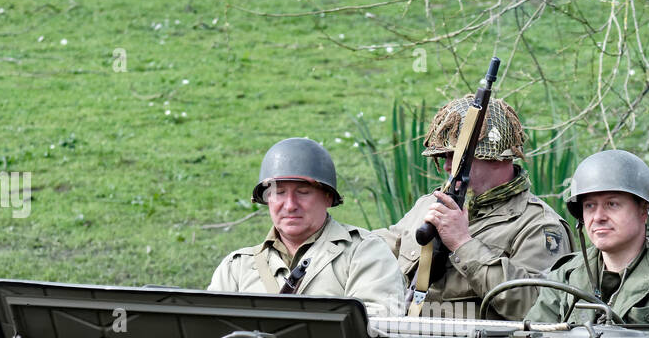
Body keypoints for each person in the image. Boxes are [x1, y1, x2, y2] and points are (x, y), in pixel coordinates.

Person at [374, 95, 570, 320]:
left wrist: (463, 244)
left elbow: (536, 307)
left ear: (497, 158)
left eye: (456, 157)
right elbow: (377, 249)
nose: (447, 166)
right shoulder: (430, 204)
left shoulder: (540, 225)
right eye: (444, 156)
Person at [524, 150, 649, 327]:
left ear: (643, 209)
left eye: (612, 204)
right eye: (589, 206)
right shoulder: (565, 275)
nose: (598, 217)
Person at [208, 138, 405, 316]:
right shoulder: (236, 268)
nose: (290, 204)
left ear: (328, 197)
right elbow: (209, 333)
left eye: (303, 192)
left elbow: (378, 327)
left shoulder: (364, 253)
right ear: (267, 198)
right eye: (280, 192)